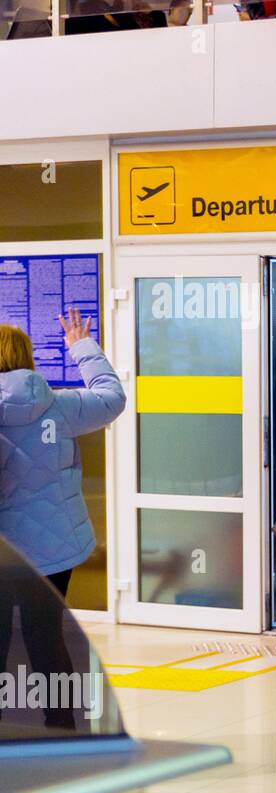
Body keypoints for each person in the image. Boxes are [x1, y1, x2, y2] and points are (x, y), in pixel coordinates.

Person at [0, 310, 124, 727]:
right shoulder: (61, 405)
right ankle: (61, 726)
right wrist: (81, 346)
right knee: (46, 635)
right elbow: (112, 397)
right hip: (54, 549)